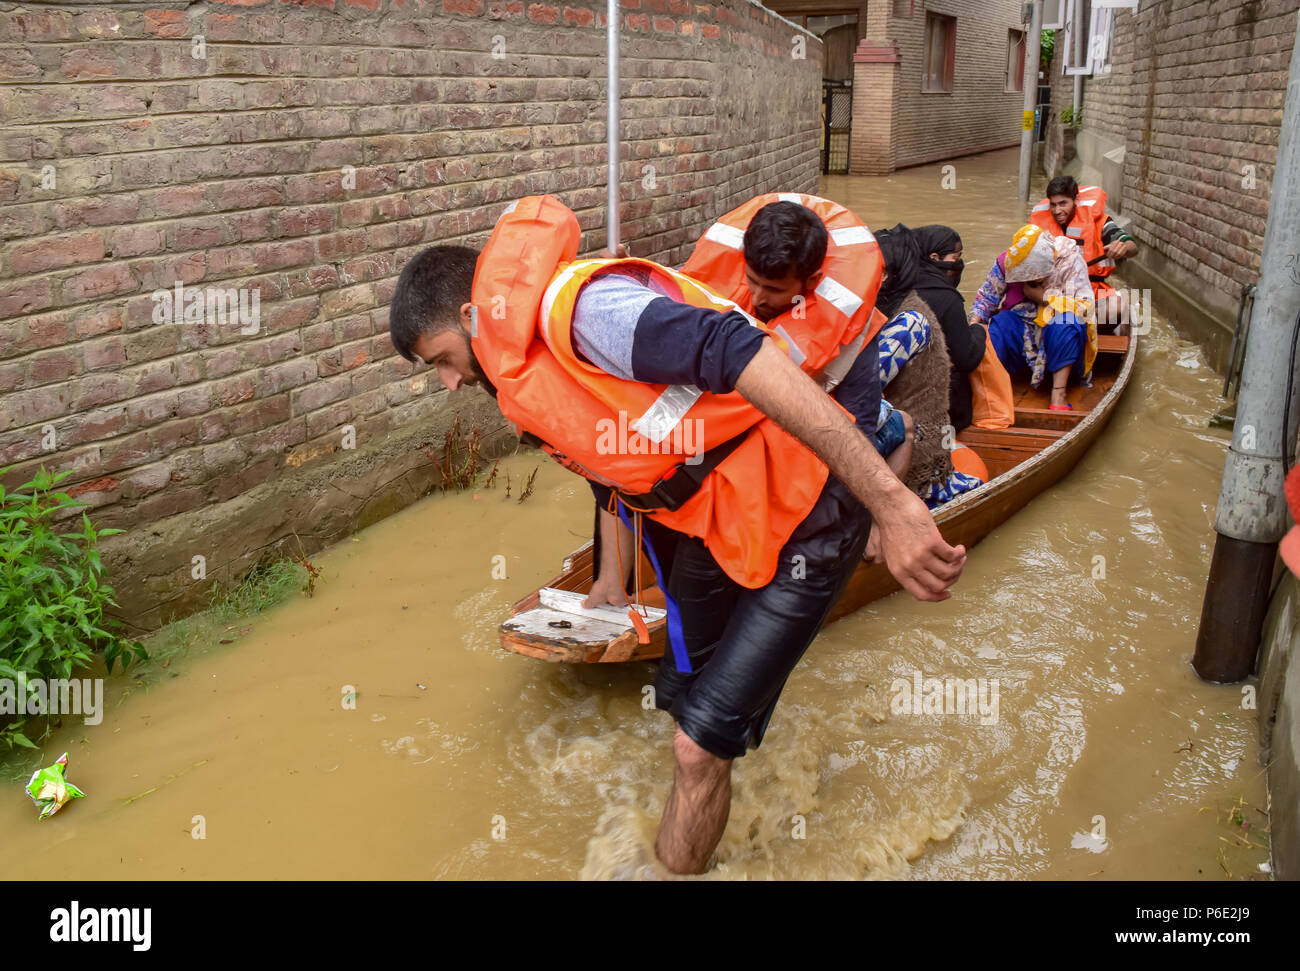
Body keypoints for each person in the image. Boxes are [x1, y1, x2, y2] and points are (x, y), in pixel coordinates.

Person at [389, 195, 966, 875]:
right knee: (684, 704)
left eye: (442, 362)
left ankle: (685, 837)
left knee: (697, 747)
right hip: (723, 514)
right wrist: (609, 581)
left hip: (815, 502)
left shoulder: (591, 314)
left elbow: (743, 353)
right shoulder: (529, 370)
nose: (452, 383)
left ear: (468, 316)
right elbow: (614, 463)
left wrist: (891, 504)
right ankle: (727, 765)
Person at [871, 225, 985, 509]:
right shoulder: (875, 309)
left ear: (889, 275)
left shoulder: (909, 322)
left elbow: (861, 385)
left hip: (913, 451)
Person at [969, 223, 1098, 411]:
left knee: (1066, 321)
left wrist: (1043, 298)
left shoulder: (1069, 261)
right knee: (1000, 324)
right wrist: (974, 324)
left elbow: (1084, 307)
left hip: (1061, 343)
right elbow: (987, 297)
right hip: (1023, 338)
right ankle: (991, 391)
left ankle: (1058, 395)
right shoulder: (1010, 260)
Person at [1030, 175, 1138, 331]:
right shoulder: (1038, 227)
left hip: (1089, 293)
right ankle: (1069, 327)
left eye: (1063, 204)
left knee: (1119, 307)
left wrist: (1123, 246)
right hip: (1050, 295)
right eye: (1053, 205)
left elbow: (1131, 246)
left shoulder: (1100, 222)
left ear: (1076, 200)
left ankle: (1074, 328)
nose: (1057, 210)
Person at [911, 225, 987, 431]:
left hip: (902, 393)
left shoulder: (900, 286)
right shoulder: (947, 299)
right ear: (935, 257)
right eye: (956, 257)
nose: (959, 263)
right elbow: (967, 358)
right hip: (940, 402)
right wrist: (978, 329)